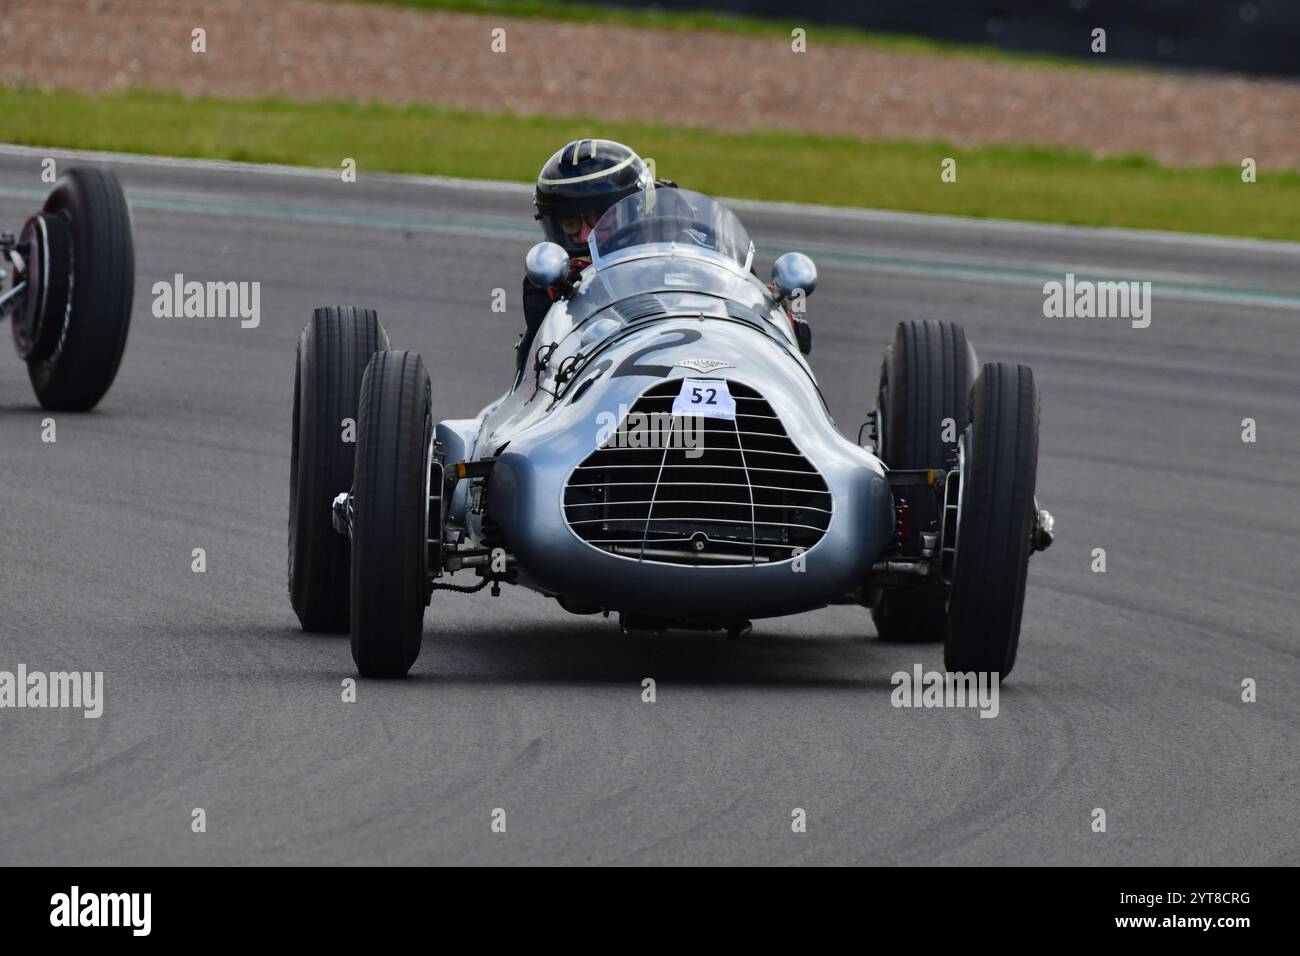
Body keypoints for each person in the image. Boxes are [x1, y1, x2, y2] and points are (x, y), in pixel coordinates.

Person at [517, 139, 654, 371]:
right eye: (571, 224)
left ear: (635, 212)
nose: (584, 236)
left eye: (601, 219)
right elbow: (533, 381)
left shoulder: (676, 250)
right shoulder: (547, 283)